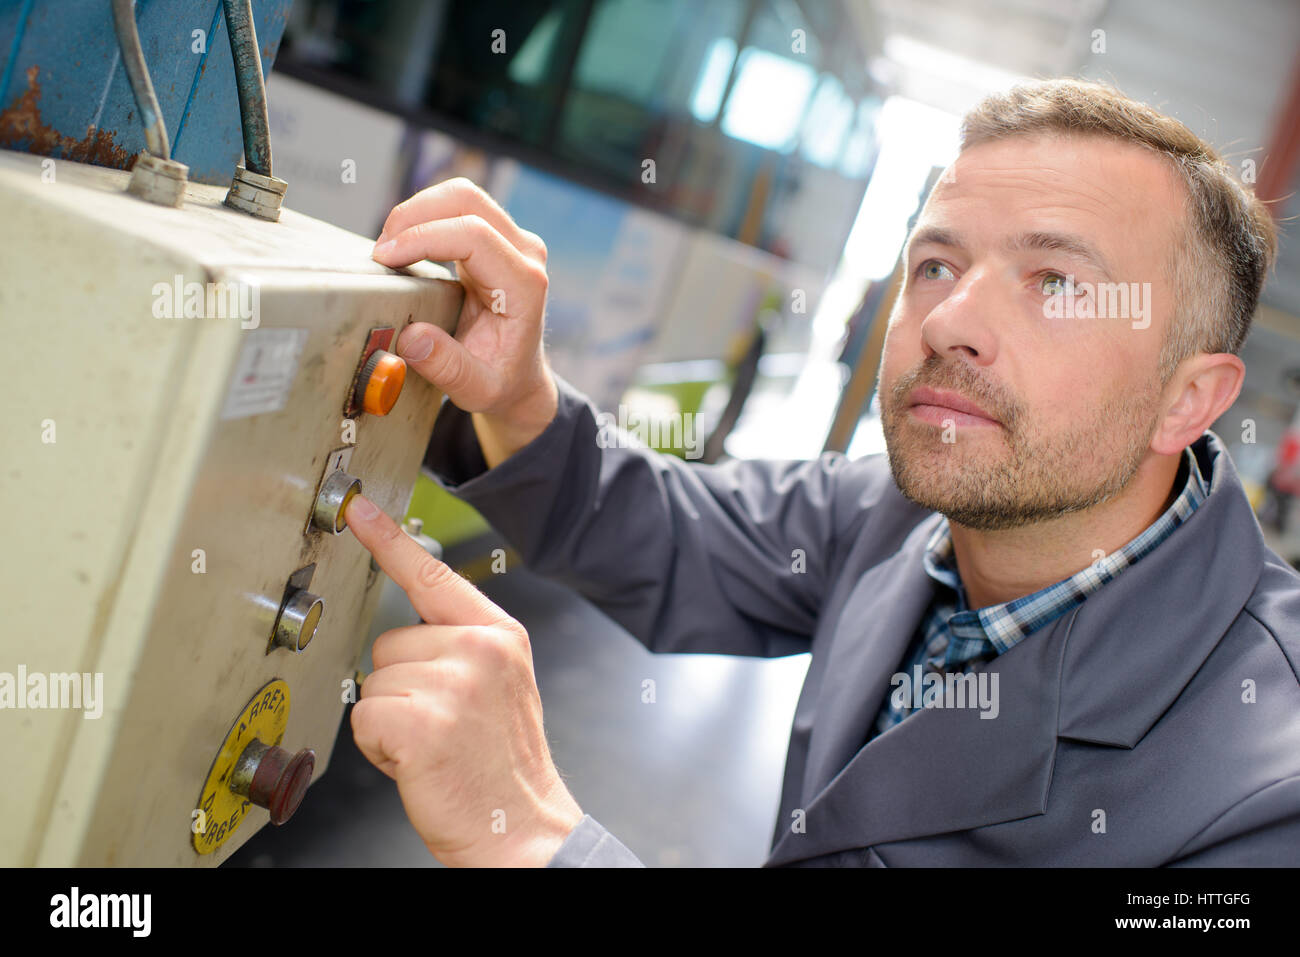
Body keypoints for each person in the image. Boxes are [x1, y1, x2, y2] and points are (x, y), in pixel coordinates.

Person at [343, 77, 1300, 867]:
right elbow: (660, 530)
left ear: (1190, 399)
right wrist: (515, 398)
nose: (948, 320)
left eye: (1057, 284)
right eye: (936, 264)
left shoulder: (1267, 795)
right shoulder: (889, 510)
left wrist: (547, 844)